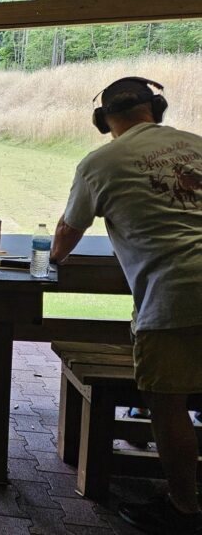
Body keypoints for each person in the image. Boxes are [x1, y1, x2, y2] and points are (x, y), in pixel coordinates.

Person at [50, 77, 202, 534]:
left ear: (103, 121)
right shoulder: (196, 144)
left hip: (175, 292)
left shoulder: (101, 162)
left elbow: (65, 235)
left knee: (166, 401)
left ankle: (182, 509)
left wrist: (54, 260)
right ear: (157, 107)